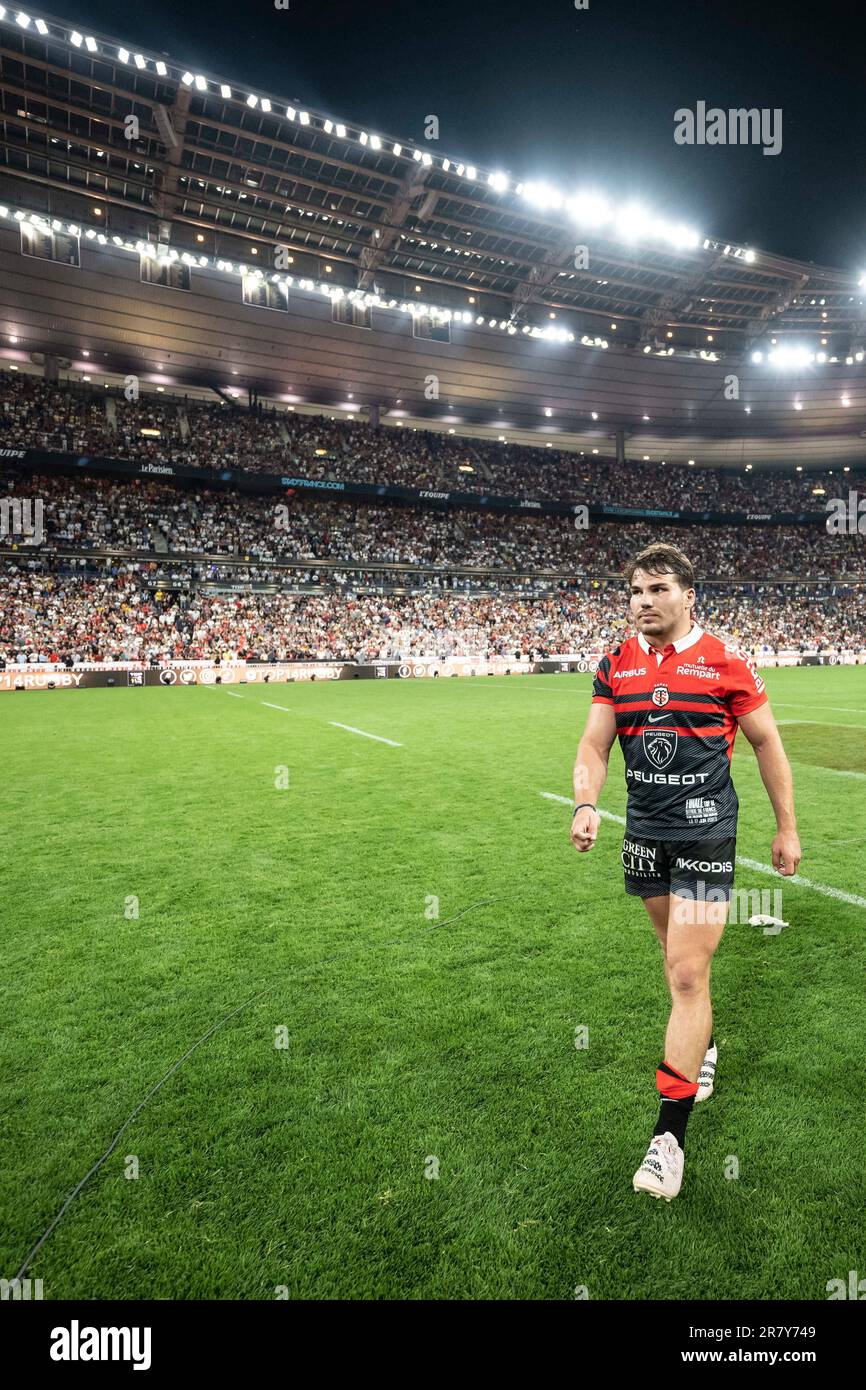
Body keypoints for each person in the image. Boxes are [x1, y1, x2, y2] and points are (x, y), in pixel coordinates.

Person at [570, 542, 801, 1201]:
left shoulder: (724, 661)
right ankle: (703, 1044)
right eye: (636, 591)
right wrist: (587, 800)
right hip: (645, 836)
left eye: (657, 589)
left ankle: (668, 1139)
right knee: (678, 965)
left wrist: (786, 828)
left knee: (686, 972)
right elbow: (594, 740)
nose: (643, 601)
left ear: (687, 595)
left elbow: (766, 742)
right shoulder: (616, 660)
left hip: (706, 832)